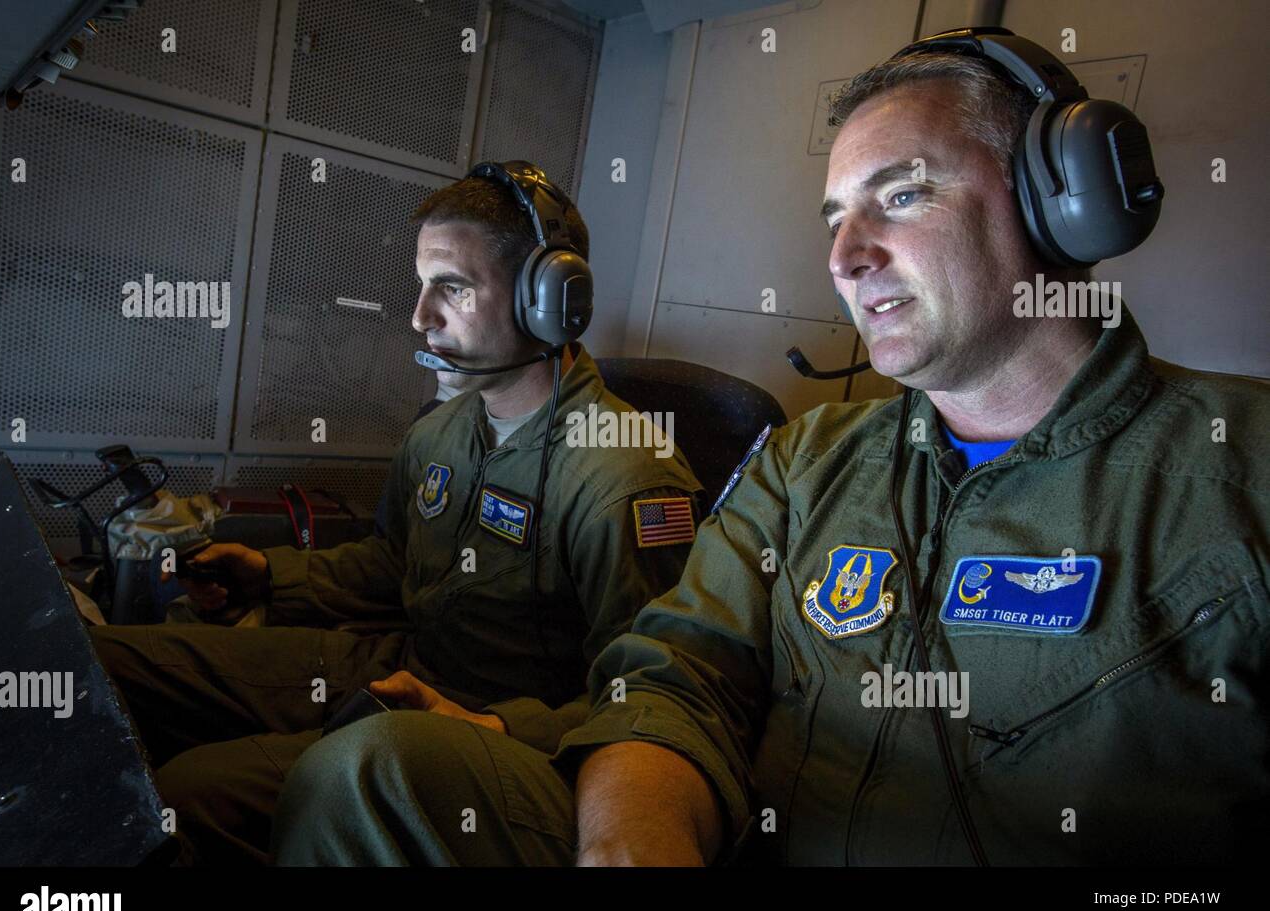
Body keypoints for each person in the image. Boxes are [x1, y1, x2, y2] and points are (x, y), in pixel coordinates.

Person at [271, 33, 1268, 866]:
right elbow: (680, 673)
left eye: (902, 196)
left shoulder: (1240, 469)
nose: (842, 257)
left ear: (1065, 198)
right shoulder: (810, 458)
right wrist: (634, 836)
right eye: (835, 217)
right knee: (375, 768)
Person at [89, 161, 703, 865]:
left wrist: (494, 725)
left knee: (185, 798)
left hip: (494, 731)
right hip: (398, 664)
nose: (419, 317)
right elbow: (390, 562)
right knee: (107, 667)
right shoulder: (442, 429)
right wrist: (269, 577)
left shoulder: (623, 479)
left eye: (452, 287)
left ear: (549, 302)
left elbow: (643, 696)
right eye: (420, 285)